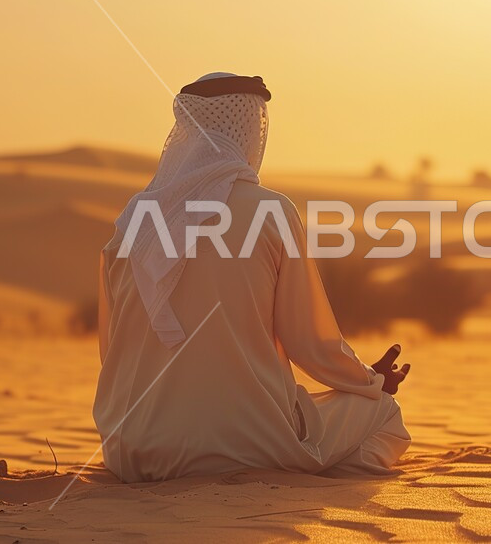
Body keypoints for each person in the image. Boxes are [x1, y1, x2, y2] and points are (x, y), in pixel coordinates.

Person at [93, 72, 411, 482]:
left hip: (129, 452)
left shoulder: (132, 222)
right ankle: (301, 475)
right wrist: (371, 381)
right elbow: (310, 344)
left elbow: (112, 352)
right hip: (242, 448)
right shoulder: (272, 212)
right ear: (248, 132)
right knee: (385, 415)